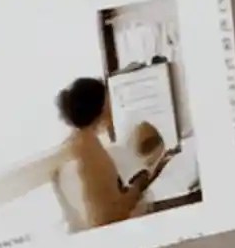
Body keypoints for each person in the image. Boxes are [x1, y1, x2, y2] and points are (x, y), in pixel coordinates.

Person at [54, 77, 173, 231]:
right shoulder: (90, 152)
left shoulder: (76, 144)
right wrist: (138, 186)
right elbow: (110, 217)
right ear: (102, 106)